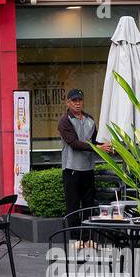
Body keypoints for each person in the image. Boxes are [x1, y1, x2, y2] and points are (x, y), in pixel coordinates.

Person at [57, 89, 110, 221]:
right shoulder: (64, 121)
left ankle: (88, 239)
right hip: (72, 170)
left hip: (88, 169)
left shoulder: (90, 119)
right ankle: (74, 240)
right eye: (74, 101)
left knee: (89, 206)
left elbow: (94, 140)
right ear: (68, 103)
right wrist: (97, 147)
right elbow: (74, 143)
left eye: (79, 100)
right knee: (73, 207)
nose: (77, 103)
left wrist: (108, 146)